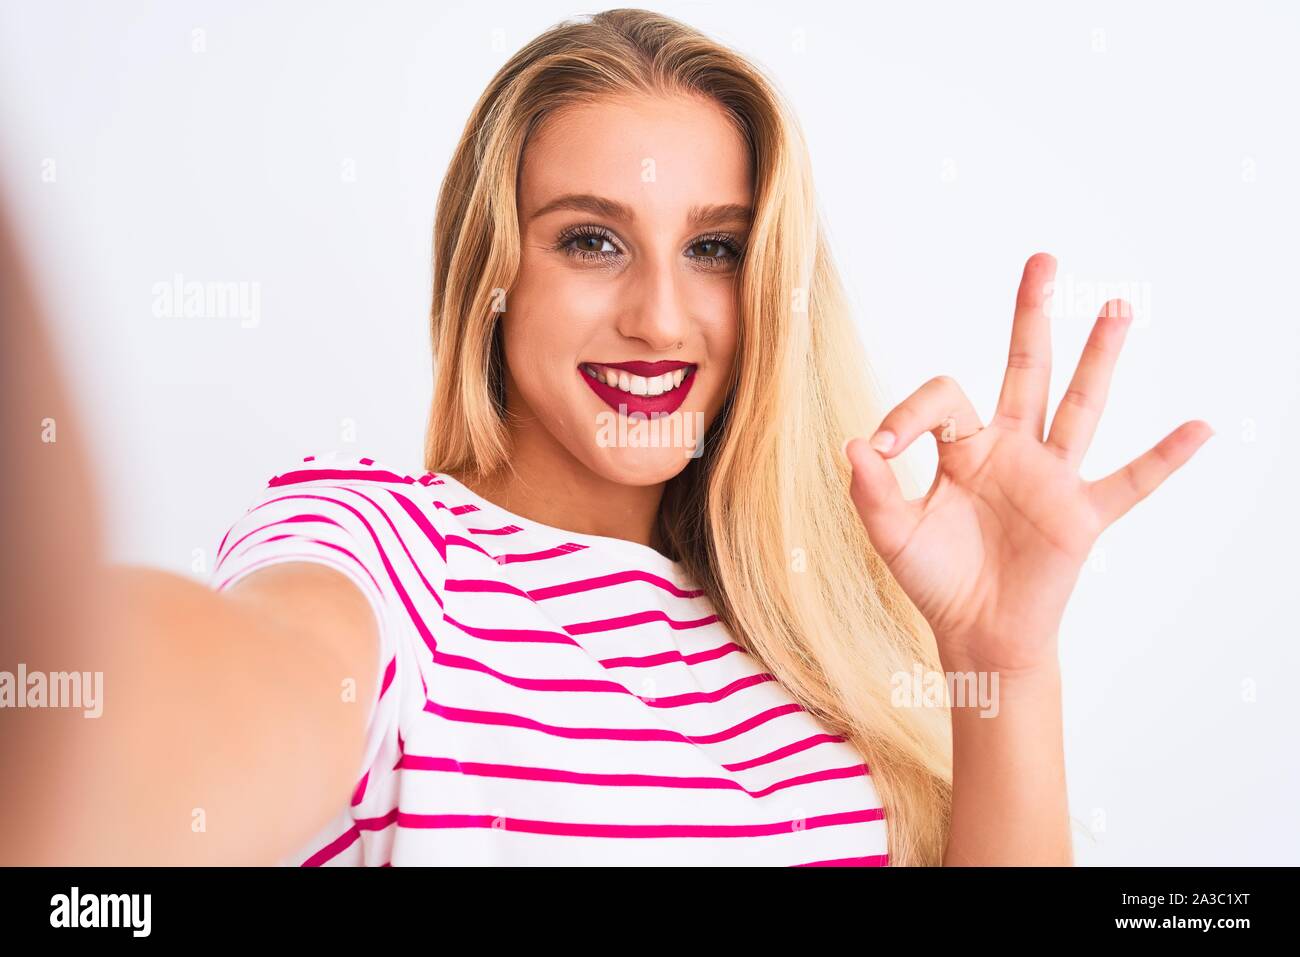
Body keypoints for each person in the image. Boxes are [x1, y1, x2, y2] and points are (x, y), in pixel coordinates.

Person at [0, 8, 1211, 867]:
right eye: (591, 239)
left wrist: (1004, 656)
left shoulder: (818, 630)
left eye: (716, 247)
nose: (660, 318)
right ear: (491, 275)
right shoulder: (381, 552)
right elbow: (197, 699)